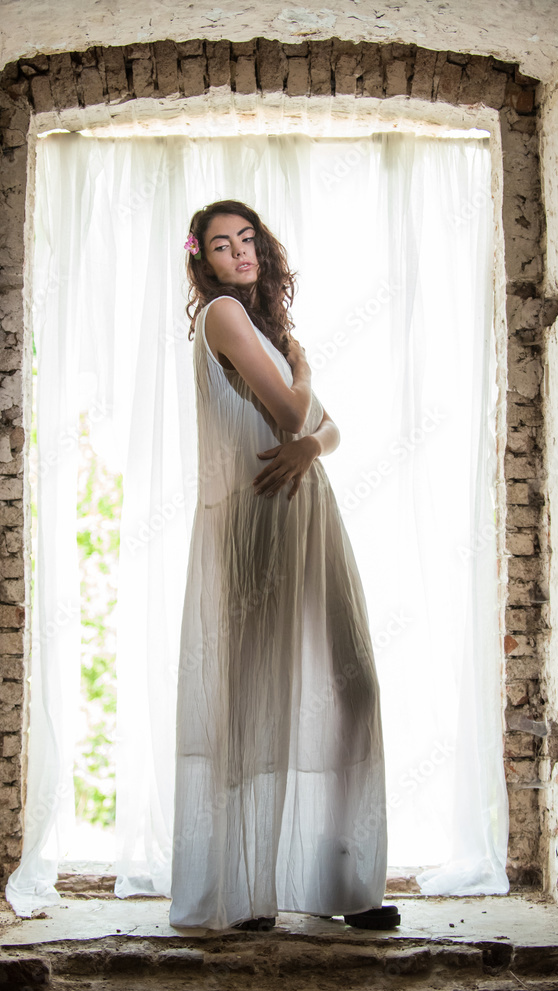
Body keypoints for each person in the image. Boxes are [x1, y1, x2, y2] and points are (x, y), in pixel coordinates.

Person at [168, 199, 399, 933]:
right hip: (264, 520)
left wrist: (306, 435)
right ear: (201, 260)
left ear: (261, 250)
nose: (237, 253)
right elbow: (299, 415)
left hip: (310, 514)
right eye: (220, 245)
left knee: (350, 684)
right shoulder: (223, 317)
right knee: (259, 691)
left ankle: (344, 880)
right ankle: (244, 891)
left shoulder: (267, 330)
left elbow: (327, 430)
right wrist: (302, 381)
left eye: (247, 241)